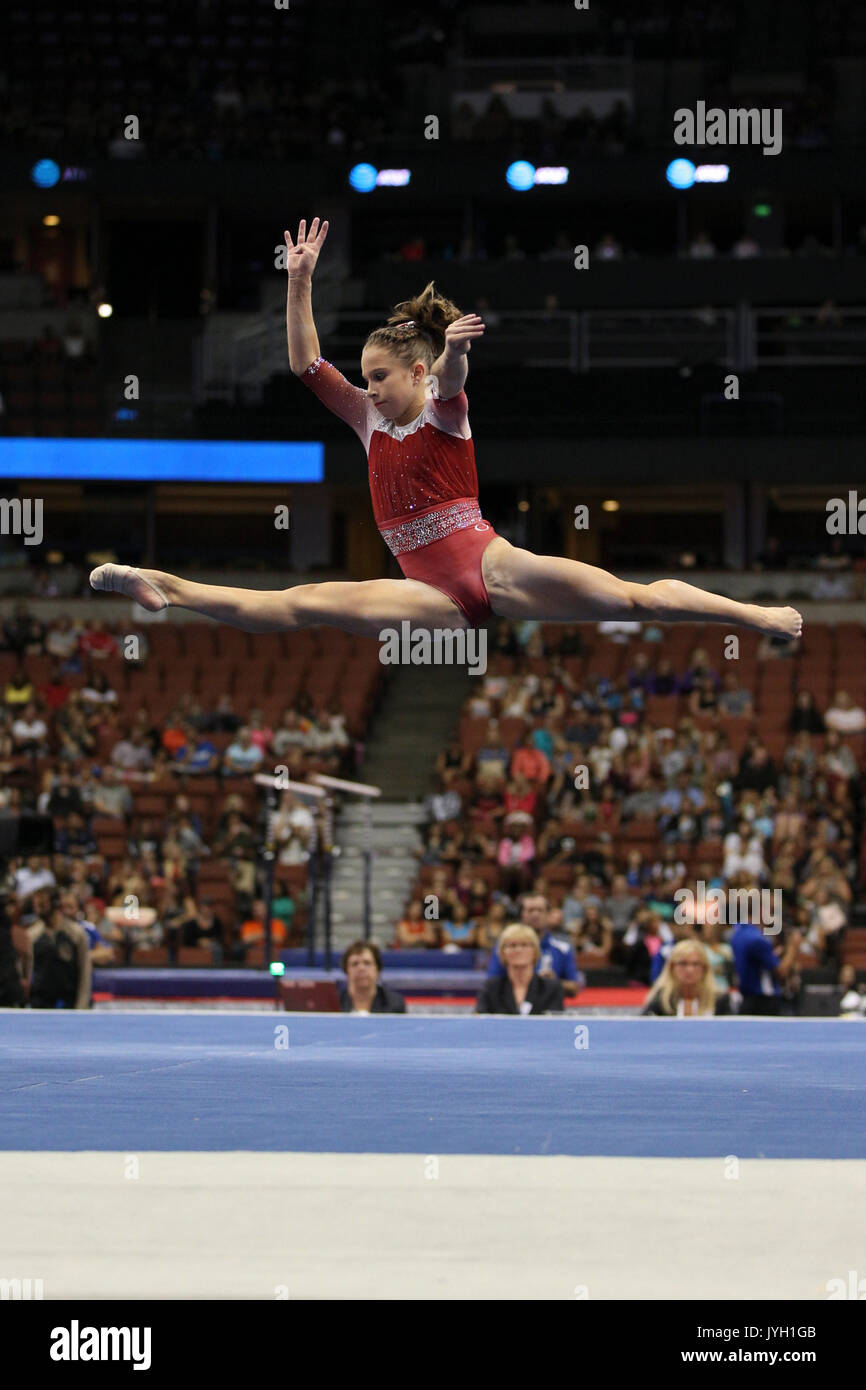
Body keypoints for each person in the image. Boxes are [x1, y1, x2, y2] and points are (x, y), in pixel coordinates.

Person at [91, 217, 803, 647]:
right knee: (300, 606)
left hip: (493, 567)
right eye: (365, 376)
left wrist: (456, 350)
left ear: (414, 374)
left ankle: (752, 614)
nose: (366, 387)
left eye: (378, 376)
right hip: (430, 596)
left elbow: (456, 379)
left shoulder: (441, 407)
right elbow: (307, 364)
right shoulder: (369, 419)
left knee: (633, 599)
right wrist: (298, 282)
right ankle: (163, 586)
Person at [486, 891, 583, 998]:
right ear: (521, 914)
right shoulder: (505, 947)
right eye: (530, 910)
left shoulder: (563, 949)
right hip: (511, 1008)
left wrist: (553, 982)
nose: (535, 915)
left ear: (548, 915)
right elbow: (491, 985)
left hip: (549, 1009)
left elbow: (574, 988)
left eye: (540, 910)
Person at [475, 924, 564, 1014]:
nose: (518, 950)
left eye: (524, 945)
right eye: (512, 945)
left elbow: (555, 1025)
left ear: (535, 951)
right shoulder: (491, 988)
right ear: (502, 952)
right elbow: (480, 1023)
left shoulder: (551, 988)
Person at [27, 890, 93, 1009]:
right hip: (40, 1005)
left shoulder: (76, 934)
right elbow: (28, 971)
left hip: (69, 1003)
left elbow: (85, 972)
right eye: (35, 906)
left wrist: (82, 1006)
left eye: (41, 905)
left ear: (55, 904)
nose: (37, 910)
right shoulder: (32, 935)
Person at [641, 939, 731, 1016]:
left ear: (705, 968)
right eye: (683, 963)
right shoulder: (661, 1000)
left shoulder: (720, 1000)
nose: (689, 969)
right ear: (672, 967)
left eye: (695, 964)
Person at [338, 940, 406, 1014]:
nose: (361, 968)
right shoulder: (336, 1002)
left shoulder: (394, 1003)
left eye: (367, 963)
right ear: (346, 970)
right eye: (355, 964)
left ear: (377, 969)